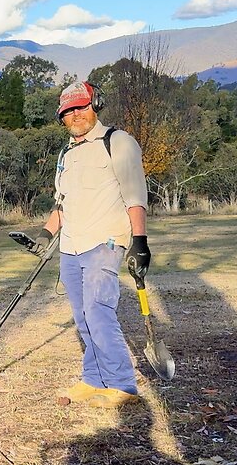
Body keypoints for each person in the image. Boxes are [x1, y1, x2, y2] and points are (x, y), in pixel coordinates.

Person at [32, 81, 151, 408]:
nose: (75, 115)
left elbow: (135, 196)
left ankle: (122, 385)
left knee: (98, 312)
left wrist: (139, 242)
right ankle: (93, 379)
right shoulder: (66, 154)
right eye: (68, 111)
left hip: (104, 241)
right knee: (82, 316)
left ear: (95, 105)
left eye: (80, 107)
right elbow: (61, 204)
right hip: (70, 246)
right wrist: (43, 236)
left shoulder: (118, 142)